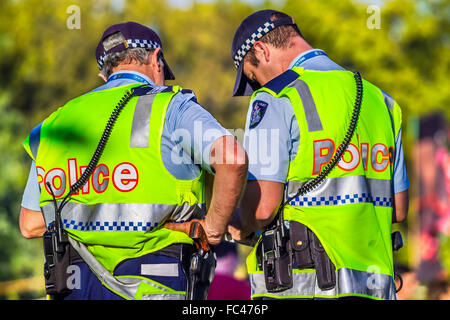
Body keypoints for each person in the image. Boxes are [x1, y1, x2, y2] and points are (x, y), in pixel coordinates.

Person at [19, 21, 248, 300]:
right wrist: (212, 230)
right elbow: (232, 158)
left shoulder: (54, 125)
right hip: (154, 284)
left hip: (73, 286)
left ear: (104, 76)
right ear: (156, 60)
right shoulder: (171, 106)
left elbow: (30, 224)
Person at [227, 10, 410, 300]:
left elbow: (262, 209)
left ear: (261, 50)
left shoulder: (276, 97)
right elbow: (398, 209)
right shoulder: (382, 101)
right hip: (377, 287)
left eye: (253, 76)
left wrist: (240, 222)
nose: (257, 87)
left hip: (309, 285)